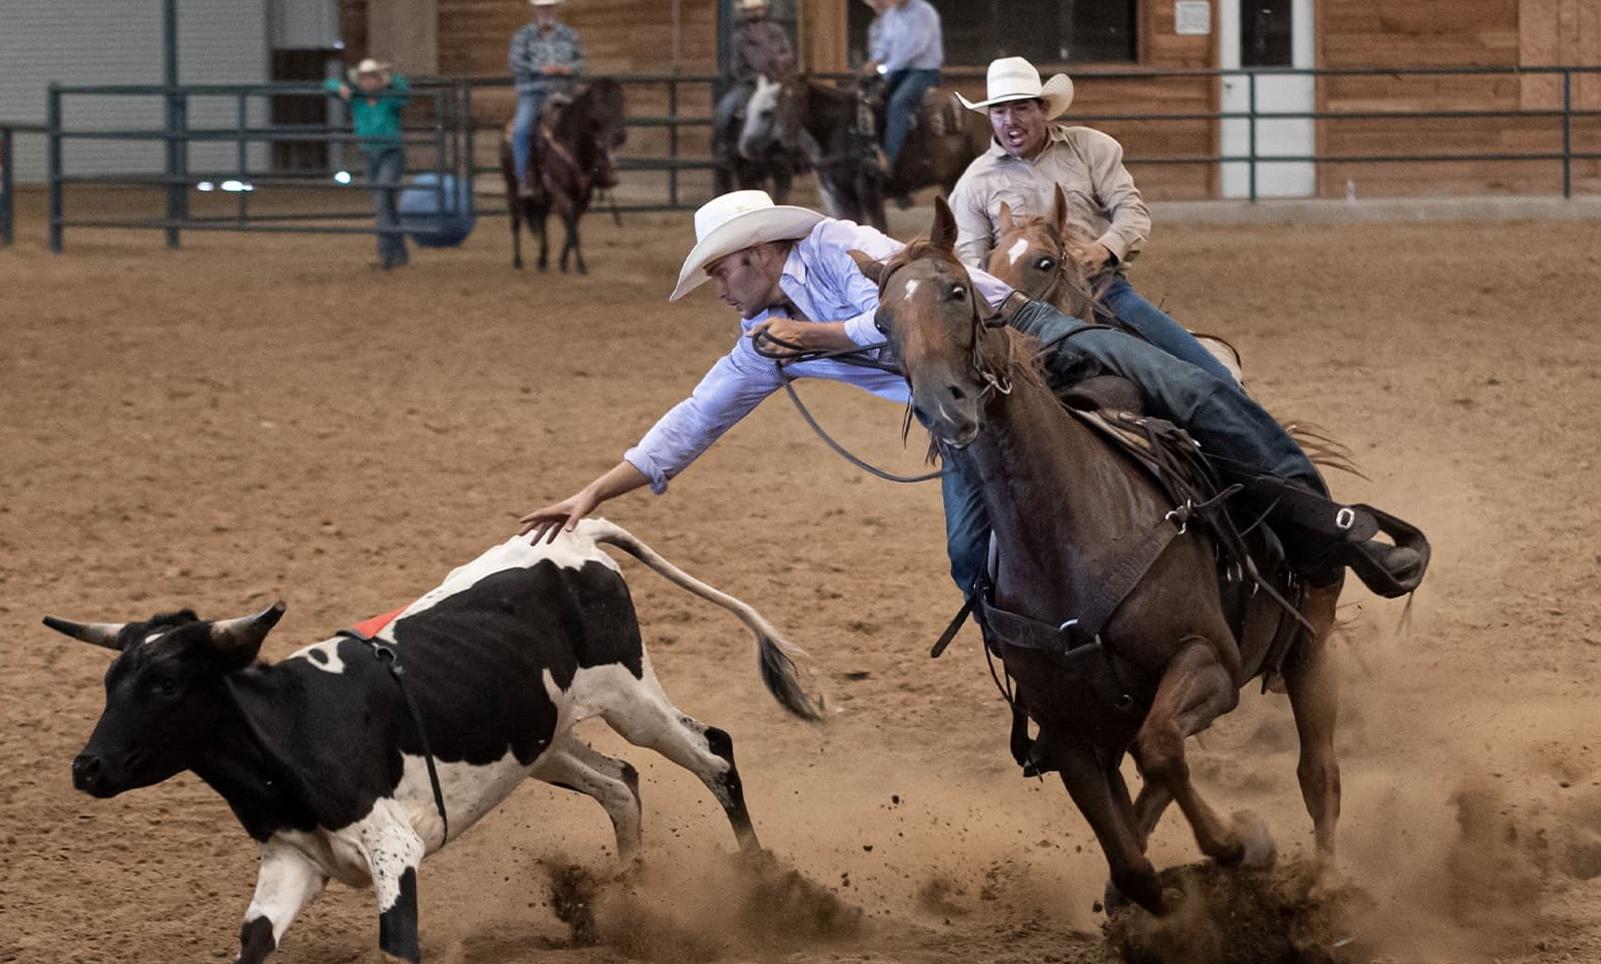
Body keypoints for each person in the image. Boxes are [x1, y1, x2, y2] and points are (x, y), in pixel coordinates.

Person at [514, 192, 1414, 606]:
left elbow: (922, 299)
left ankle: (1325, 525)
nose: (716, 291)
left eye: (717, 273)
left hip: (1027, 337)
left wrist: (826, 339)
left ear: (753, 256)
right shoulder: (760, 344)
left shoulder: (836, 246)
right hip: (967, 414)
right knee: (968, 560)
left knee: (1193, 392)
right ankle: (1046, 686)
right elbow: (692, 419)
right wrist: (595, 492)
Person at [948, 57, 1237, 388]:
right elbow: (969, 260)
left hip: (1100, 291)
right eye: (999, 111)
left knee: (1204, 370)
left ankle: (1233, 403)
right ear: (989, 116)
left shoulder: (1091, 149)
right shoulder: (975, 183)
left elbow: (1131, 210)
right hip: (1019, 310)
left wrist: (1104, 249)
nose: (1010, 121)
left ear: (1043, 109)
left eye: (1021, 108)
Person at [325, 58, 412, 270]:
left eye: (372, 77)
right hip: (369, 154)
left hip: (390, 153)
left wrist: (393, 78)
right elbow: (328, 85)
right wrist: (340, 87)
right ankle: (398, 253)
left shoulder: (389, 97)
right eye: (364, 78)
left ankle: (385, 253)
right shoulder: (357, 98)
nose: (368, 82)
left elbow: (404, 93)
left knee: (383, 199)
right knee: (386, 203)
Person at [508, 0, 585, 198]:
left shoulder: (570, 35)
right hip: (534, 92)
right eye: (542, 7)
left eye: (550, 7)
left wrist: (570, 68)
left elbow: (580, 62)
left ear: (557, 9)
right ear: (535, 10)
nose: (546, 11)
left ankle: (595, 171)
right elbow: (516, 64)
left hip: (565, 91)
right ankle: (523, 179)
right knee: (523, 129)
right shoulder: (523, 36)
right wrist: (540, 69)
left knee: (591, 123)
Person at [861, 0, 944, 168]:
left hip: (924, 71)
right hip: (898, 71)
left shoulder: (923, 12)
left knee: (899, 102)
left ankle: (888, 161)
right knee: (868, 100)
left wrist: (886, 67)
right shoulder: (891, 16)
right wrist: (875, 60)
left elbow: (915, 47)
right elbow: (884, 45)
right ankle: (869, 151)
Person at [714, 0, 797, 144]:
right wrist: (756, 78)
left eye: (758, 9)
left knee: (798, 109)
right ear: (745, 13)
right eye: (751, 10)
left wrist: (780, 63)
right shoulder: (739, 38)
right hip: (751, 84)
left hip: (779, 81)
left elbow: (789, 54)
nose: (755, 12)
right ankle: (723, 146)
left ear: (764, 10)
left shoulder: (777, 32)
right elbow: (736, 68)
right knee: (725, 108)